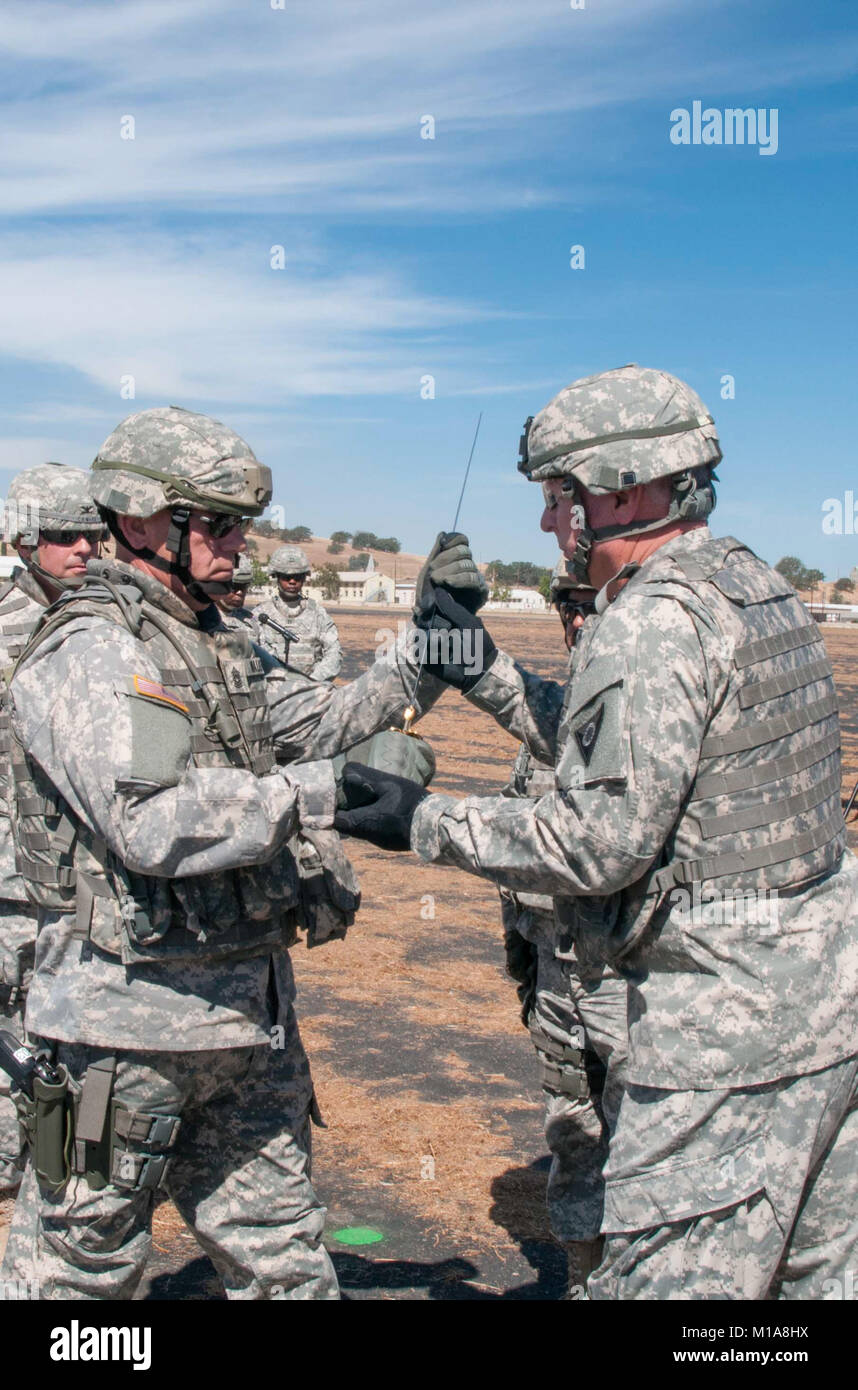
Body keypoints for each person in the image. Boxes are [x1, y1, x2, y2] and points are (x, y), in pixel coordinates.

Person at [336, 365, 858, 1301]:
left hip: (721, 1041)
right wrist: (478, 664)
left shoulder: (651, 619)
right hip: (820, 1015)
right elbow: (619, 749)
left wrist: (422, 820)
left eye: (557, 498)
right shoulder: (752, 586)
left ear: (623, 490)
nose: (547, 525)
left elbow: (598, 840)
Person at [0, 406, 444, 1301]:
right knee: (81, 1272)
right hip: (119, 1033)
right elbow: (153, 818)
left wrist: (431, 648)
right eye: (219, 524)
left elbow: (314, 721)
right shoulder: (95, 649)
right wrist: (330, 796)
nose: (240, 545)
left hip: (245, 1023)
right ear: (140, 519)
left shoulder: (208, 641)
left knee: (283, 1256)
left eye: (241, 523)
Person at [498, 564, 627, 1294]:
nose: (577, 621)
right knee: (573, 1135)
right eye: (565, 608)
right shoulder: (548, 719)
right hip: (556, 974)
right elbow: (520, 839)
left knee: (642, 1140)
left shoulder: (645, 710)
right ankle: (583, 1279)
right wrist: (520, 950)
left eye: (590, 607)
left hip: (628, 982)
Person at [0, 465, 104, 1199]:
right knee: (14, 1025)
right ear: (25, 539)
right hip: (9, 868)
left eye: (92, 535)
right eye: (64, 536)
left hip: (72, 870)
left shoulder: (95, 620)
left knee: (71, 1024)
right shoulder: (9, 619)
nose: (84, 550)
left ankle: (66, 1166)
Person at [255, 546, 342, 680]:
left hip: (311, 690)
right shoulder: (260, 614)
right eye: (286, 577)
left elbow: (334, 653)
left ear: (304, 578)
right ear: (276, 577)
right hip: (273, 690)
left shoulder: (318, 613)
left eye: (298, 577)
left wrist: (311, 682)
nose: (292, 582)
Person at [214, 553, 258, 636]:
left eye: (243, 586)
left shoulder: (250, 620)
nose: (239, 592)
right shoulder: (204, 618)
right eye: (234, 587)